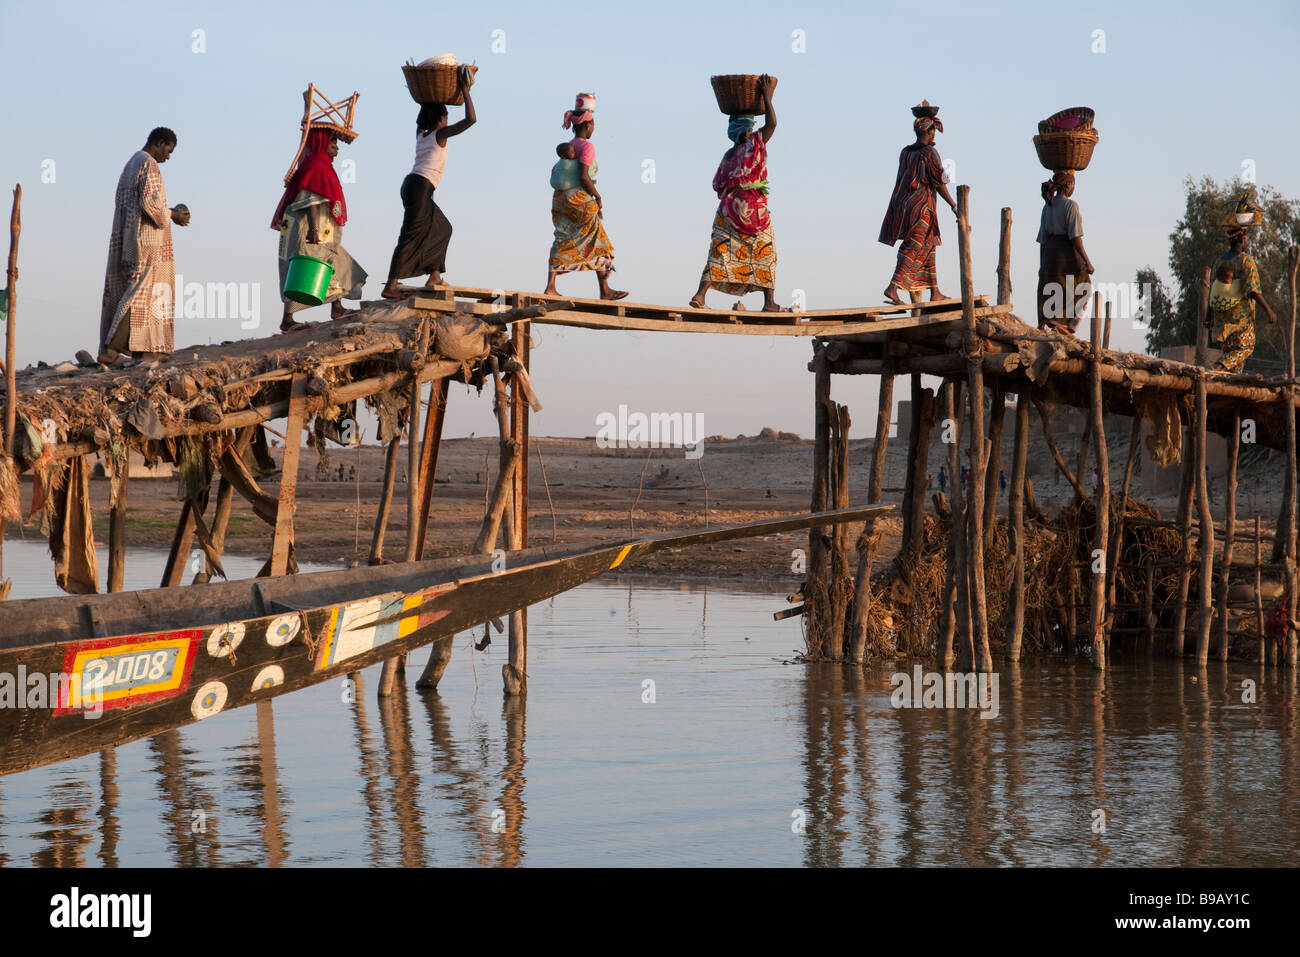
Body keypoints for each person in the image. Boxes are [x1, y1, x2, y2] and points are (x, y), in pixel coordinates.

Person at [688, 74, 782, 311]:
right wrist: (766, 97)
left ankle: (700, 295)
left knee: (720, 251)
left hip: (728, 210)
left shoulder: (729, 154)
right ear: (749, 127)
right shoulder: (754, 143)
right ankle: (769, 303)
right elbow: (772, 124)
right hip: (754, 211)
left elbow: (717, 185)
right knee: (765, 251)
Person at [382, 67, 476, 299]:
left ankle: (434, 274)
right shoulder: (438, 135)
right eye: (445, 116)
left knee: (443, 228)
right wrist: (464, 90)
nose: (447, 119)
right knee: (410, 234)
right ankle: (391, 286)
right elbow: (471, 119)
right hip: (420, 187)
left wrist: (428, 98)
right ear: (439, 120)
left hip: (415, 186)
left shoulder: (421, 133)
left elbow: (423, 114)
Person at [99, 127, 190, 364]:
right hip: (146, 240)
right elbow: (152, 206)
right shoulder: (149, 164)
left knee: (140, 294)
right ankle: (111, 350)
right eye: (168, 151)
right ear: (160, 143)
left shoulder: (131, 163)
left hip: (127, 238)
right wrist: (173, 214)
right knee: (142, 295)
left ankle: (146, 351)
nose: (167, 157)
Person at [272, 129, 366, 332]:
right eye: (332, 142)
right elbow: (311, 200)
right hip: (310, 231)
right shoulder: (316, 166)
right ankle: (292, 319)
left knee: (331, 264)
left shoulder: (317, 165)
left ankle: (335, 307)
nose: (336, 146)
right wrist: (314, 229)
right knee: (307, 269)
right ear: (321, 143)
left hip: (314, 231)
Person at [543, 93, 627, 301]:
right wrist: (597, 196)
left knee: (562, 237)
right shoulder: (587, 147)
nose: (594, 129)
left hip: (561, 200)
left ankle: (550, 286)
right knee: (599, 240)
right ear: (588, 125)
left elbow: (571, 173)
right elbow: (583, 175)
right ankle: (605, 290)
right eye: (593, 125)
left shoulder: (571, 145)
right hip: (580, 201)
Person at [880, 107, 957, 305]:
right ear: (929, 131)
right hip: (921, 208)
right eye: (933, 131)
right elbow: (938, 182)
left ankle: (935, 291)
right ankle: (893, 287)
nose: (934, 135)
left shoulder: (905, 152)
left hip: (906, 206)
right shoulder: (929, 153)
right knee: (913, 246)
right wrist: (953, 204)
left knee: (929, 246)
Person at [1206, 199, 1277, 373]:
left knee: (1234, 364)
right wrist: (1269, 310)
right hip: (1240, 321)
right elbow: (1252, 290)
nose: (1249, 241)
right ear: (1242, 238)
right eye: (1248, 237)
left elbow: (1213, 292)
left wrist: (1209, 316)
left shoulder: (1218, 262)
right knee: (1246, 347)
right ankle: (1216, 367)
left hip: (1223, 322)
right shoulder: (1245, 261)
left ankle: (1221, 392)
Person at [1036, 170, 1094, 335]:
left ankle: (1054, 324)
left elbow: (1043, 240)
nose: (1073, 187)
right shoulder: (1070, 206)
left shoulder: (1047, 208)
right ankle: (1067, 326)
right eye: (1073, 184)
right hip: (1066, 254)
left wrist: (1042, 266)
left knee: (1053, 292)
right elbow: (1075, 237)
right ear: (1068, 185)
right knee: (1084, 288)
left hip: (1049, 255)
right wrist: (1087, 262)